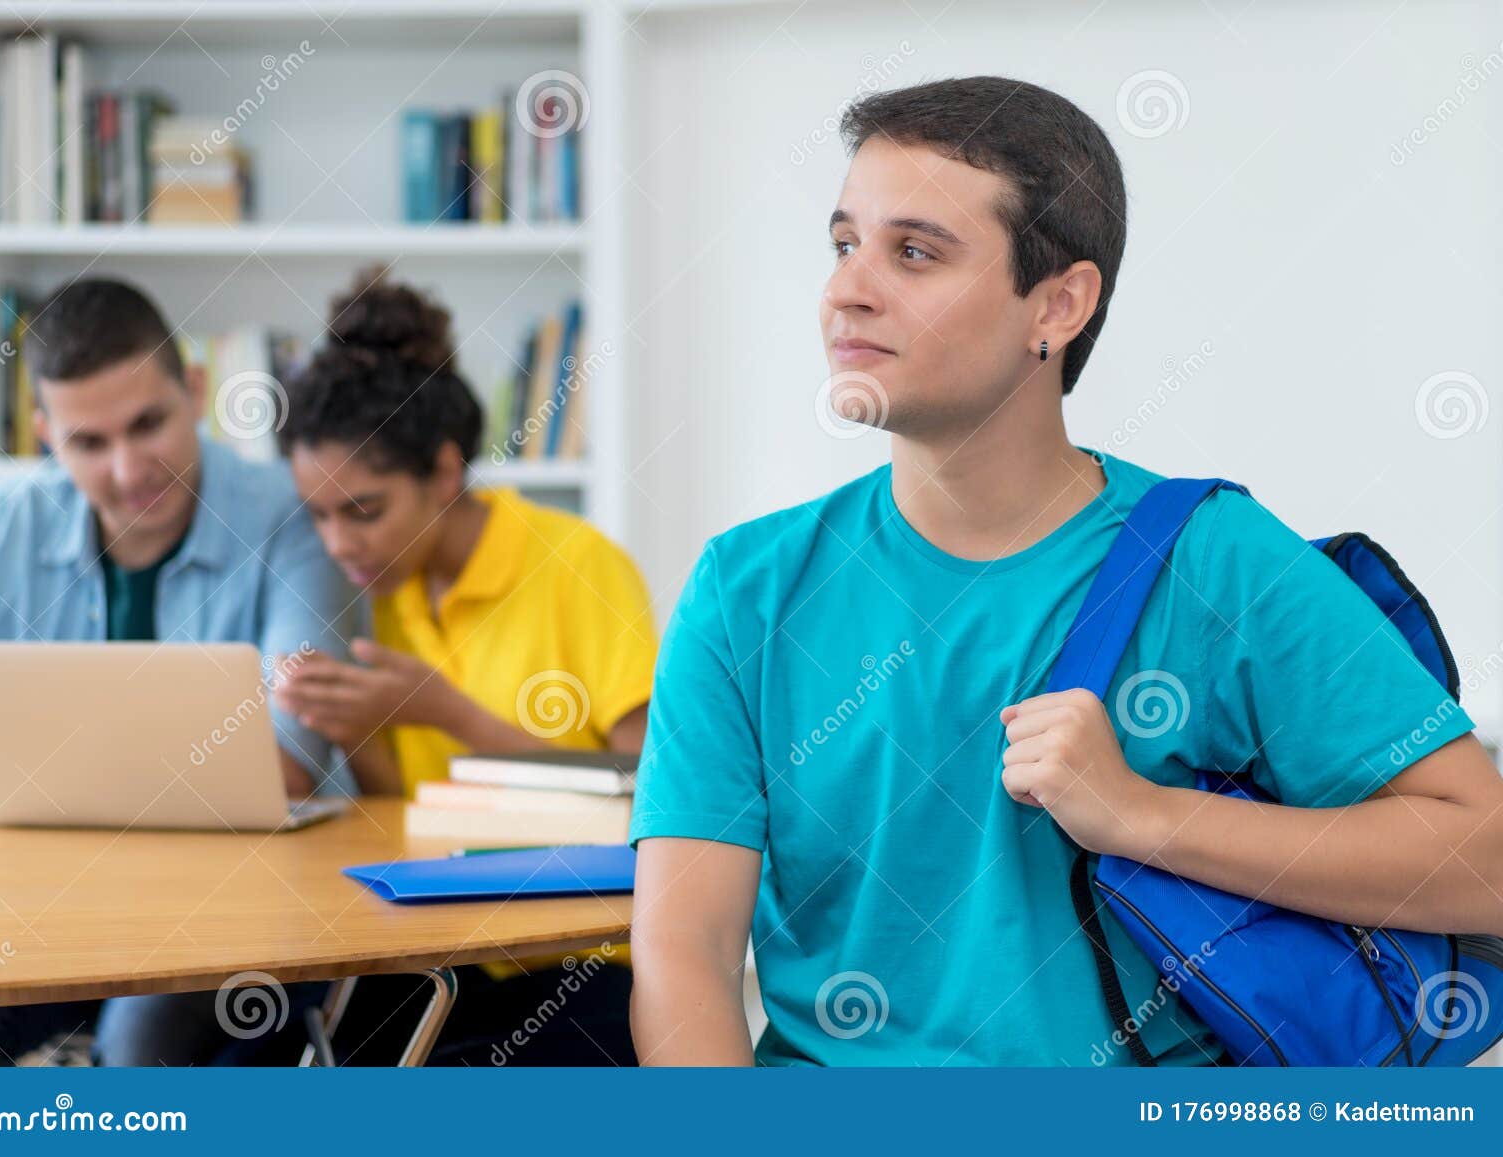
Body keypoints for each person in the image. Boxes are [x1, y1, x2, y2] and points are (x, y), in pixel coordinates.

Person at [626, 76, 1503, 1067]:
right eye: (843, 245)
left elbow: (1485, 861)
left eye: (913, 252)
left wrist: (1143, 814)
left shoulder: (1216, 560)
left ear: (1057, 303)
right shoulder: (747, 588)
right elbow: (682, 950)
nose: (847, 290)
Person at [0, 278, 351, 1066]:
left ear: (197, 392)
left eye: (149, 424)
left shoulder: (291, 520)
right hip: (29, 915)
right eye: (88, 441)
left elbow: (288, 762)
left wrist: (36, 770)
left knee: (141, 1055)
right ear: (45, 433)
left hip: (227, 917)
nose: (128, 467)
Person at [273, 267, 657, 1065]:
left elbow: (650, 797)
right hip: (435, 944)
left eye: (364, 510)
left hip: (575, 958)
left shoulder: (578, 566)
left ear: (446, 474)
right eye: (318, 514)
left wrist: (447, 712)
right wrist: (356, 730)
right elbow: (405, 816)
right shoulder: (373, 593)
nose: (340, 543)